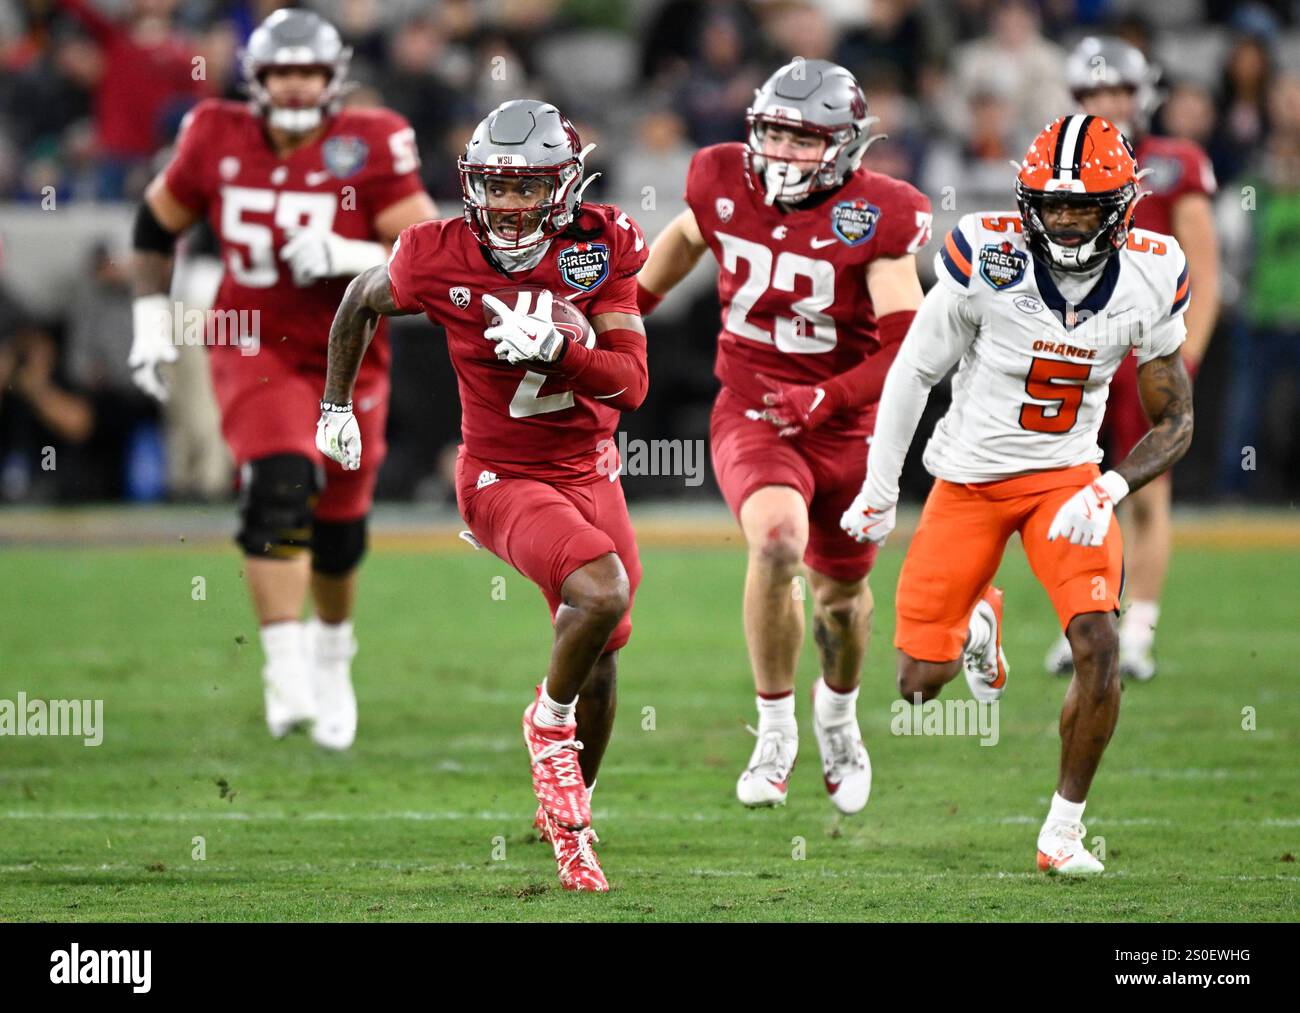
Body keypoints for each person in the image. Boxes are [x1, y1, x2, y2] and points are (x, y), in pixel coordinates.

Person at [842, 115, 1195, 873]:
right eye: (1052, 205)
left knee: (1097, 643)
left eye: (1082, 206)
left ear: (1123, 206)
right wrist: (880, 487)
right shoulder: (988, 254)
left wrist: (1108, 484)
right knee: (917, 684)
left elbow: (1177, 418)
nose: (1065, 222)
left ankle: (1062, 830)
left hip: (1068, 478)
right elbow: (914, 371)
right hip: (968, 478)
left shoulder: (1154, 271)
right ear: (1026, 202)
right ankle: (978, 626)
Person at [316, 99, 649, 893]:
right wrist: (334, 406)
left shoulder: (599, 244)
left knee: (603, 656)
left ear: (562, 188)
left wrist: (563, 350)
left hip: (591, 468)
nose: (507, 205)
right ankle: (547, 724)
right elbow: (362, 299)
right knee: (601, 592)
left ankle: (574, 799)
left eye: (527, 189)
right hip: (502, 475)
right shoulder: (436, 253)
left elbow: (632, 383)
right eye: (496, 186)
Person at [126, 8, 437, 750]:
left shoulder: (373, 139)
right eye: (281, 72)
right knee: (280, 483)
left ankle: (332, 655)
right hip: (252, 340)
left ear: (334, 80)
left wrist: (343, 251)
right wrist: (148, 318)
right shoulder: (213, 132)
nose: (295, 86)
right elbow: (154, 222)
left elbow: (423, 246)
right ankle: (284, 666)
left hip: (348, 345)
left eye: (308, 72)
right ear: (256, 78)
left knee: (338, 528)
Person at [637, 59, 930, 814]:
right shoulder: (720, 177)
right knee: (774, 541)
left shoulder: (880, 212)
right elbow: (683, 239)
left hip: (853, 423)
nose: (783, 153)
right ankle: (774, 728)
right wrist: (623, 310)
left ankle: (836, 715)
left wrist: (828, 395)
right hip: (754, 408)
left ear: (844, 145)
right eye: (771, 133)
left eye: (803, 140)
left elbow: (911, 347)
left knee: (843, 598)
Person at [1043, 36, 1219, 681]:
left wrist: (1185, 359)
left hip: (1146, 350)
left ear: (1141, 94)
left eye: (1118, 91)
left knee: (1147, 491)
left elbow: (1205, 272)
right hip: (1079, 349)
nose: (1108, 103)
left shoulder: (1173, 165)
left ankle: (1138, 627)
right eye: (1094, 94)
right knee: (1074, 489)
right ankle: (1089, 620)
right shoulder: (1061, 169)